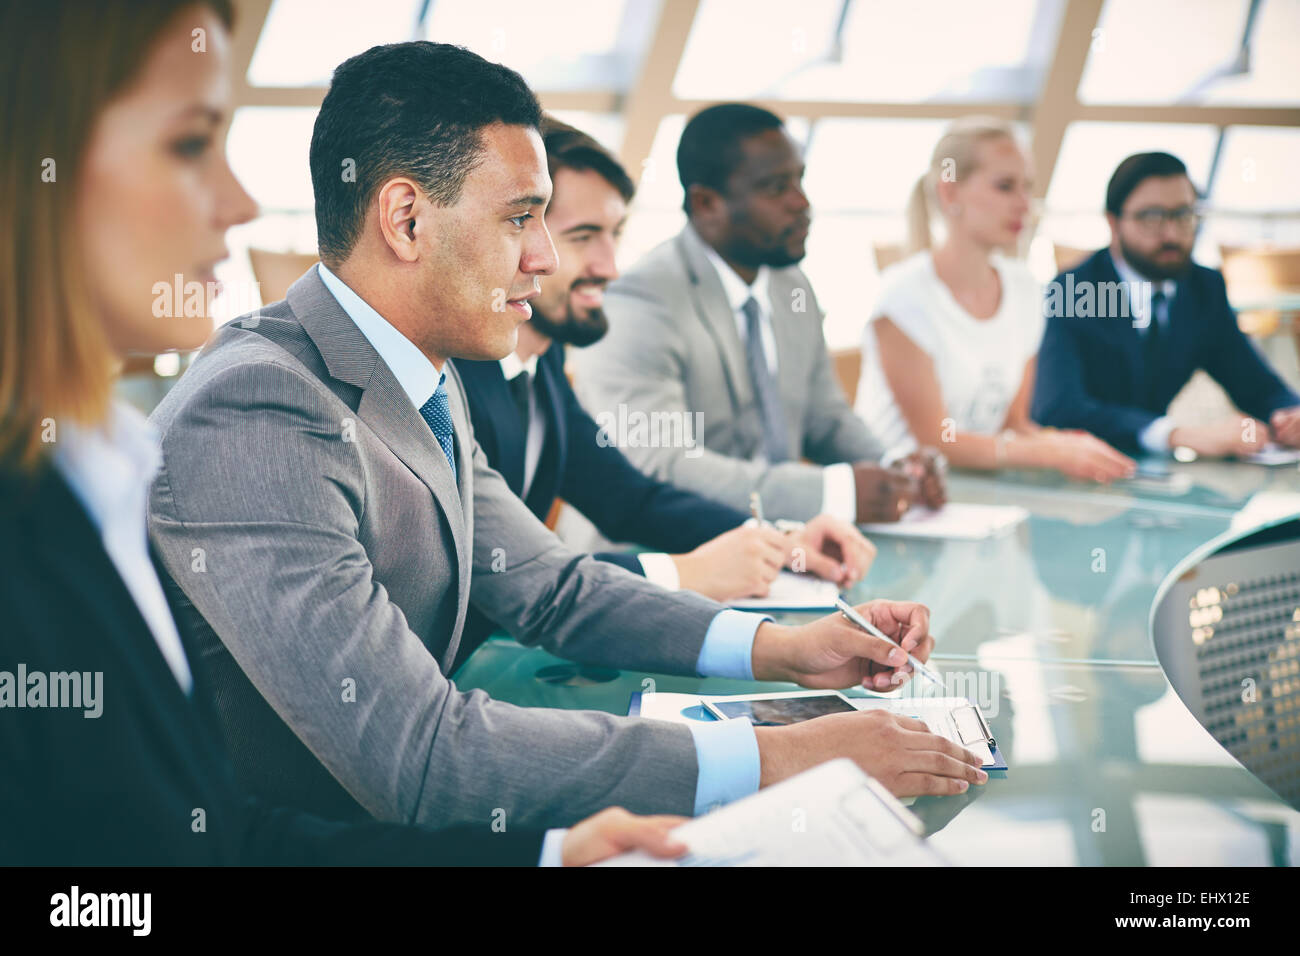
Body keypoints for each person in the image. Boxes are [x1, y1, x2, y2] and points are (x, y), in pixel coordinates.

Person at [145, 43, 988, 833]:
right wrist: (789, 753)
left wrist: (789, 647)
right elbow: (419, 752)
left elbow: (550, 588)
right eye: (522, 218)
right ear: (404, 219)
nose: (545, 257)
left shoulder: (419, 371)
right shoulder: (258, 408)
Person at [0, 0, 691, 866]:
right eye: (188, 144)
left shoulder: (92, 471)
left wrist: (545, 856)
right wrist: (761, 756)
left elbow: (205, 833)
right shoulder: (247, 405)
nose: (240, 201)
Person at [452, 118, 876, 666]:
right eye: (583, 237)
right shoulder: (455, 382)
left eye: (615, 235)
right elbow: (513, 585)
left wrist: (779, 541)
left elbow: (630, 499)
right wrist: (685, 573)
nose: (610, 266)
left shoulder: (541, 360)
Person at [572, 103, 947, 523]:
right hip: (662, 555)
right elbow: (663, 464)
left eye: (799, 179)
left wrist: (896, 467)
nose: (801, 203)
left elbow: (823, 418)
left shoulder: (791, 285)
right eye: (775, 188)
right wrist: (831, 493)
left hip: (785, 551)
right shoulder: (640, 300)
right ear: (706, 202)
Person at [855, 117, 1136, 483]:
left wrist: (1070, 445)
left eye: (1027, 187)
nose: (1024, 204)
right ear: (950, 192)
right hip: (900, 500)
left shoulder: (1024, 289)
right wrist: (1047, 451)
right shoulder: (904, 299)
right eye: (1005, 187)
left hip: (980, 497)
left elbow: (1012, 425)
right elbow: (939, 441)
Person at [1032, 151, 1300, 456]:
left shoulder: (1203, 288)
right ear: (1113, 222)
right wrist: (1174, 435)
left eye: (1184, 216)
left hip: (1152, 474)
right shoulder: (1074, 290)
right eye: (1151, 218)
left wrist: (1289, 414)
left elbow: (1256, 384)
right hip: (1076, 474)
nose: (1171, 234)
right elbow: (1057, 409)